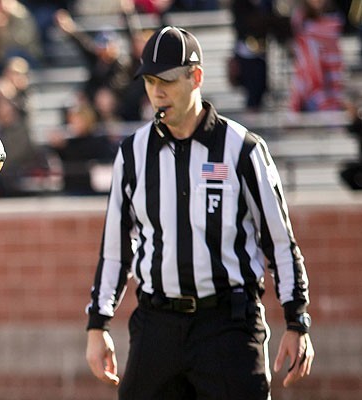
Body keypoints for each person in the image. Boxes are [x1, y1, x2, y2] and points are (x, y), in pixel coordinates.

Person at [84, 26, 315, 399]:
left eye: (168, 81)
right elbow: (116, 247)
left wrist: (296, 319)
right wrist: (98, 324)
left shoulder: (243, 149)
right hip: (157, 324)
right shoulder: (133, 153)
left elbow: (279, 242)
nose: (157, 92)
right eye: (150, 82)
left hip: (227, 324)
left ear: (196, 78)